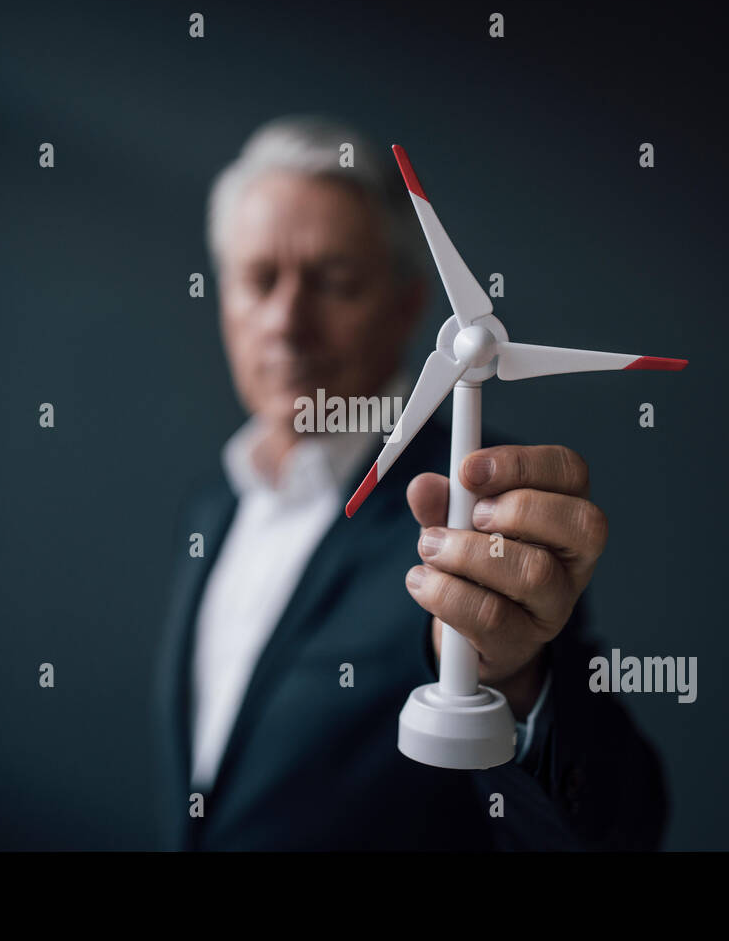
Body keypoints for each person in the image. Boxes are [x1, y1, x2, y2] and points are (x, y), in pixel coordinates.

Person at [153, 115, 668, 850]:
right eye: (258, 280)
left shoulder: (481, 513)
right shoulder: (217, 505)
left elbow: (618, 826)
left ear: (406, 307)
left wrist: (516, 680)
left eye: (334, 283)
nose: (286, 321)